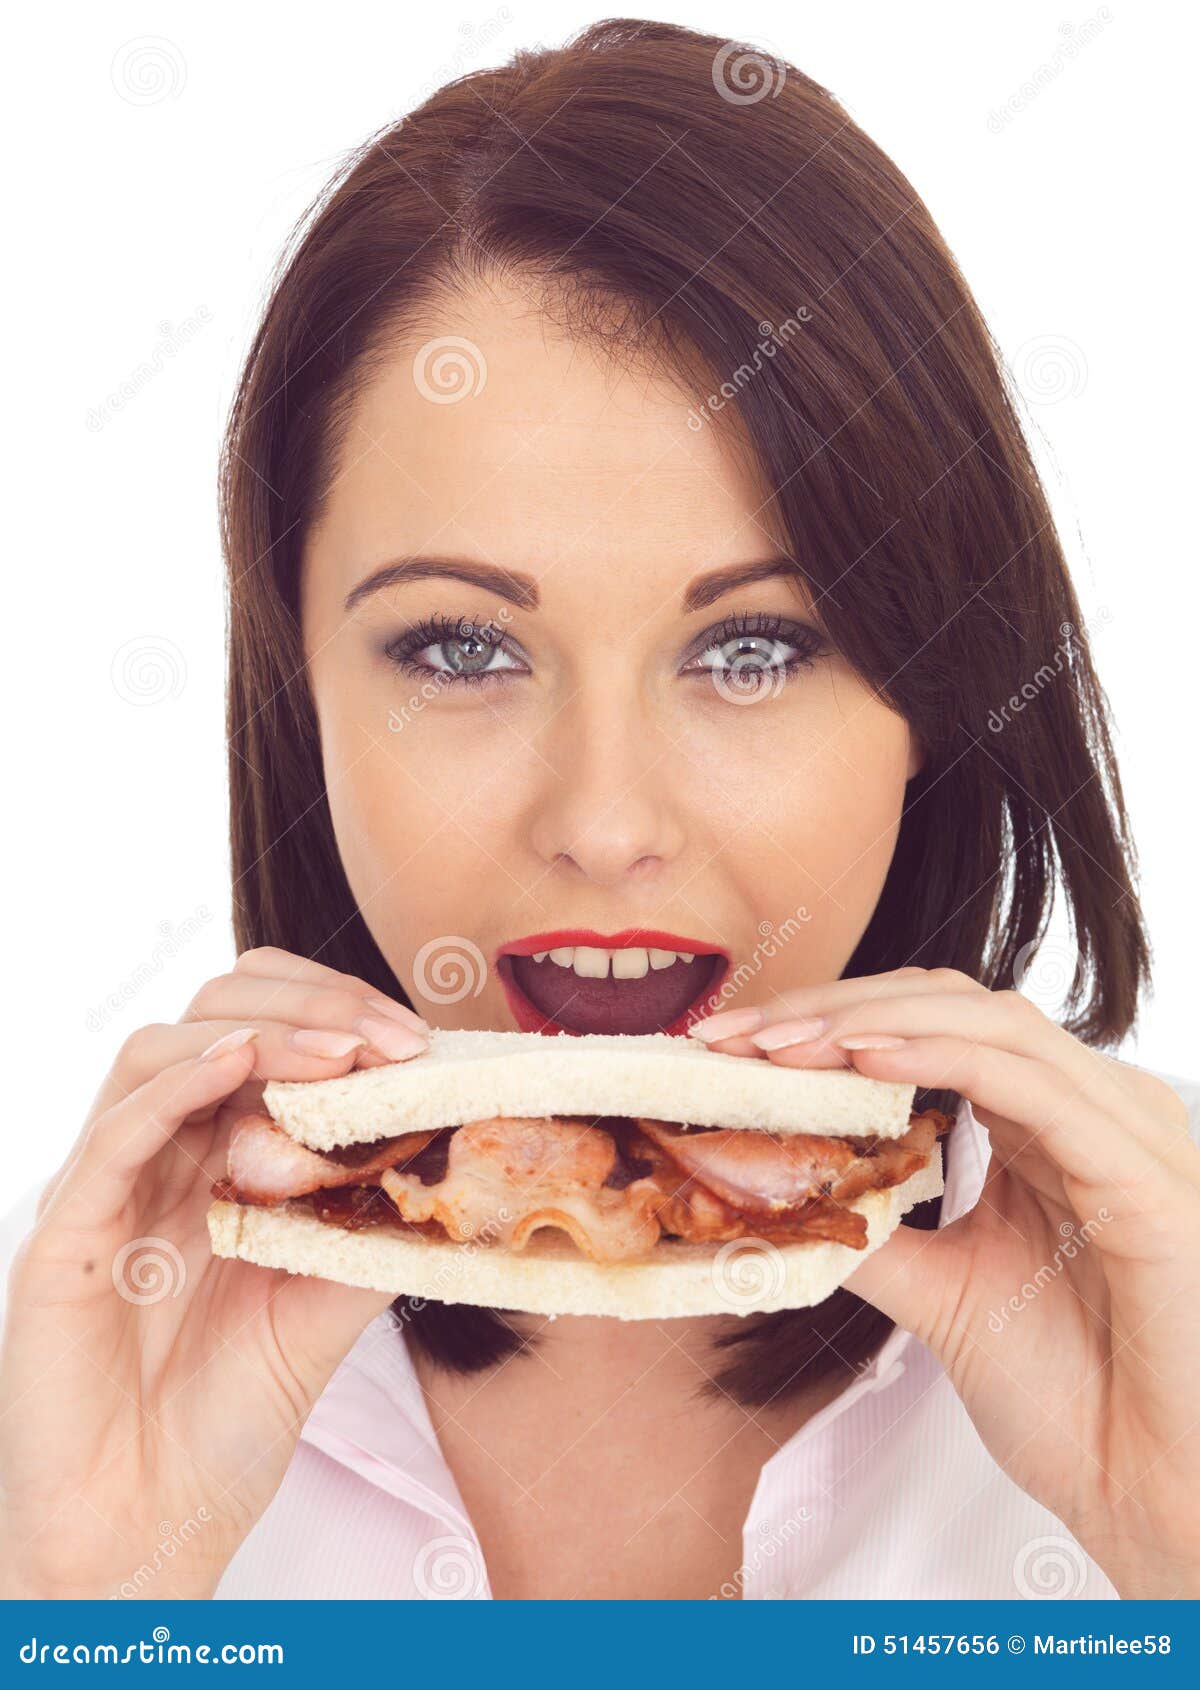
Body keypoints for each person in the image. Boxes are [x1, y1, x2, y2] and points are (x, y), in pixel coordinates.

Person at [2, 19, 1197, 1601]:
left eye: (754, 648)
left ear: (935, 687)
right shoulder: (73, 1371)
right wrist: (86, 1611)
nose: (609, 822)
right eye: (462, 647)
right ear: (300, 690)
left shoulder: (1168, 1322)